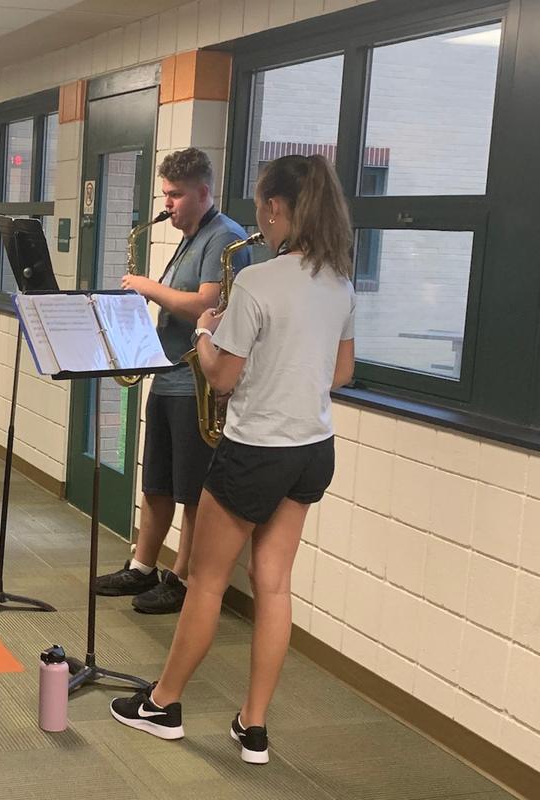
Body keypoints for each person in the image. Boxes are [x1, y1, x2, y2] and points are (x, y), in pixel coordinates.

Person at [109, 154, 356, 765]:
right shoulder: (341, 282)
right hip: (311, 451)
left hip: (255, 451)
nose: (259, 222)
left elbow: (221, 377)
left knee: (206, 582)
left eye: (261, 209)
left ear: (276, 208)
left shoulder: (259, 282)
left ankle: (163, 704)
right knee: (274, 588)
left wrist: (204, 331)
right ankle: (254, 727)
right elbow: (341, 373)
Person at [95, 147, 250, 614]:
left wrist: (146, 287)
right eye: (165, 194)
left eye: (177, 195)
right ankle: (143, 565)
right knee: (157, 483)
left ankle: (181, 577)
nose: (168, 204)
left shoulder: (225, 238)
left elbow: (205, 305)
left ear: (204, 192)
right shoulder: (190, 236)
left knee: (192, 493)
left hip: (197, 387)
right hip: (168, 377)